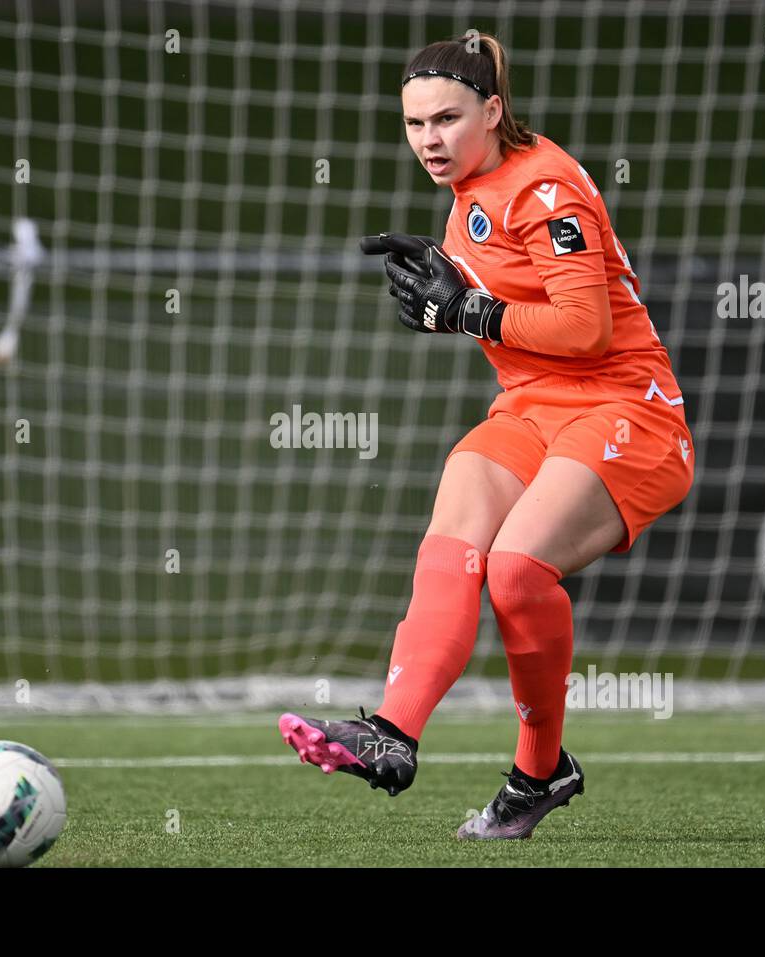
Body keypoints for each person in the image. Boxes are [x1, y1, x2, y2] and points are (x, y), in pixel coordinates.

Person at [279, 32, 694, 840]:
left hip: (628, 410)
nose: (429, 139)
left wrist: (467, 308)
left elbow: (584, 327)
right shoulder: (471, 187)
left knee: (515, 569)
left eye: (447, 118)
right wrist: (449, 283)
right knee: (456, 528)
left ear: (493, 110)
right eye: (413, 124)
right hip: (533, 407)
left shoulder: (544, 188)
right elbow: (506, 306)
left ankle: (540, 769)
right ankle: (392, 733)